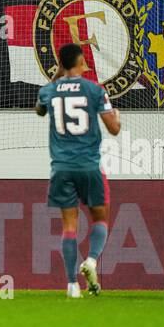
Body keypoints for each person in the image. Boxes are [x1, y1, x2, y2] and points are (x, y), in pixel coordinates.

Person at [35, 43, 120, 298]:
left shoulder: (49, 90)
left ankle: (72, 285)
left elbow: (39, 110)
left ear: (61, 64)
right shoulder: (95, 90)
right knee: (100, 219)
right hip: (89, 165)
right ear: (82, 61)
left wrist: (56, 77)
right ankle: (91, 260)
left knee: (69, 226)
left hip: (61, 168)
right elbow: (114, 129)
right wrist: (117, 116)